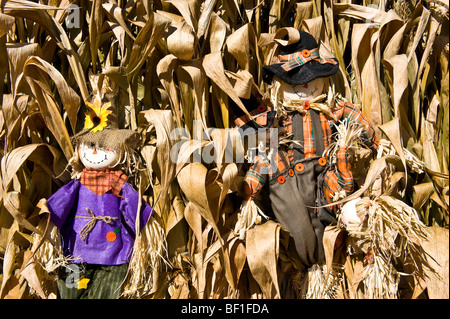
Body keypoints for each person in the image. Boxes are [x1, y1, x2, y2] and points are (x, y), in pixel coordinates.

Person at [235, 29, 378, 273]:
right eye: (294, 81)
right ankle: (306, 269)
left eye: (310, 78)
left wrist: (373, 142)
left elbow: (368, 133)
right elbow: (248, 143)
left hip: (327, 182)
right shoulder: (274, 119)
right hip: (287, 185)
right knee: (297, 230)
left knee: (349, 212)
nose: (304, 85)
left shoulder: (333, 109)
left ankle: (363, 250)